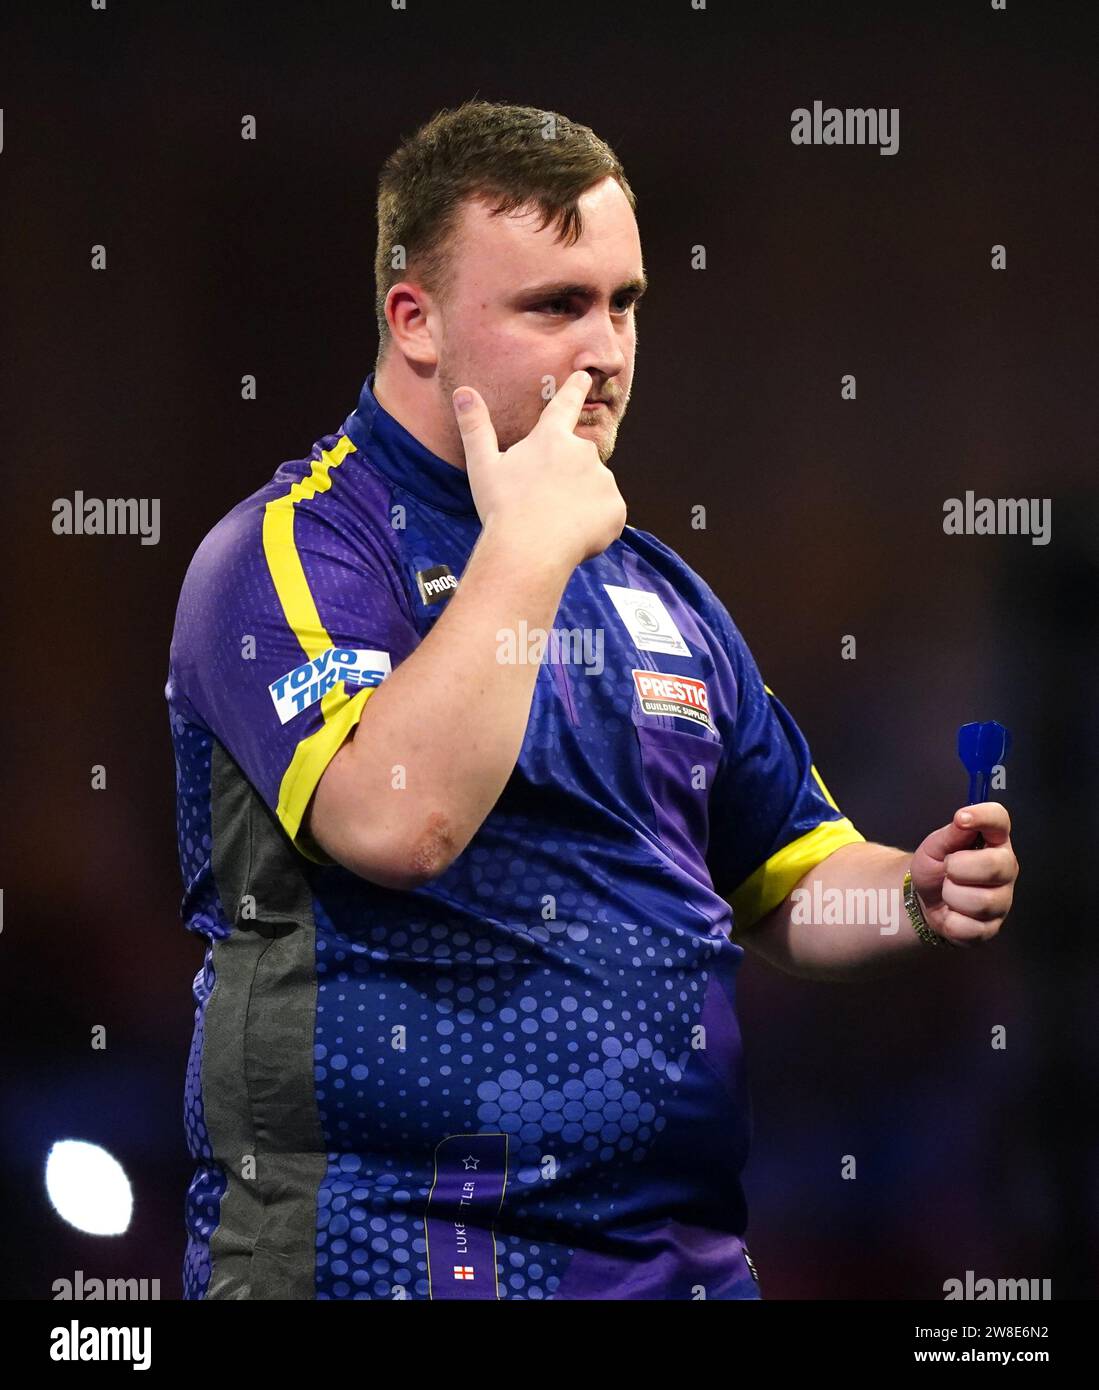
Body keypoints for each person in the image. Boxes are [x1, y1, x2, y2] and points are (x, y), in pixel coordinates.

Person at [165, 99, 1019, 1301]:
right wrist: (523, 553)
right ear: (413, 320)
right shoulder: (294, 550)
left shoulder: (655, 590)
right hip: (382, 1257)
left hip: (678, 1268)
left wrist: (912, 893)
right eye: (556, 305)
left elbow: (784, 870)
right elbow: (399, 823)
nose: (608, 349)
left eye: (625, 302)